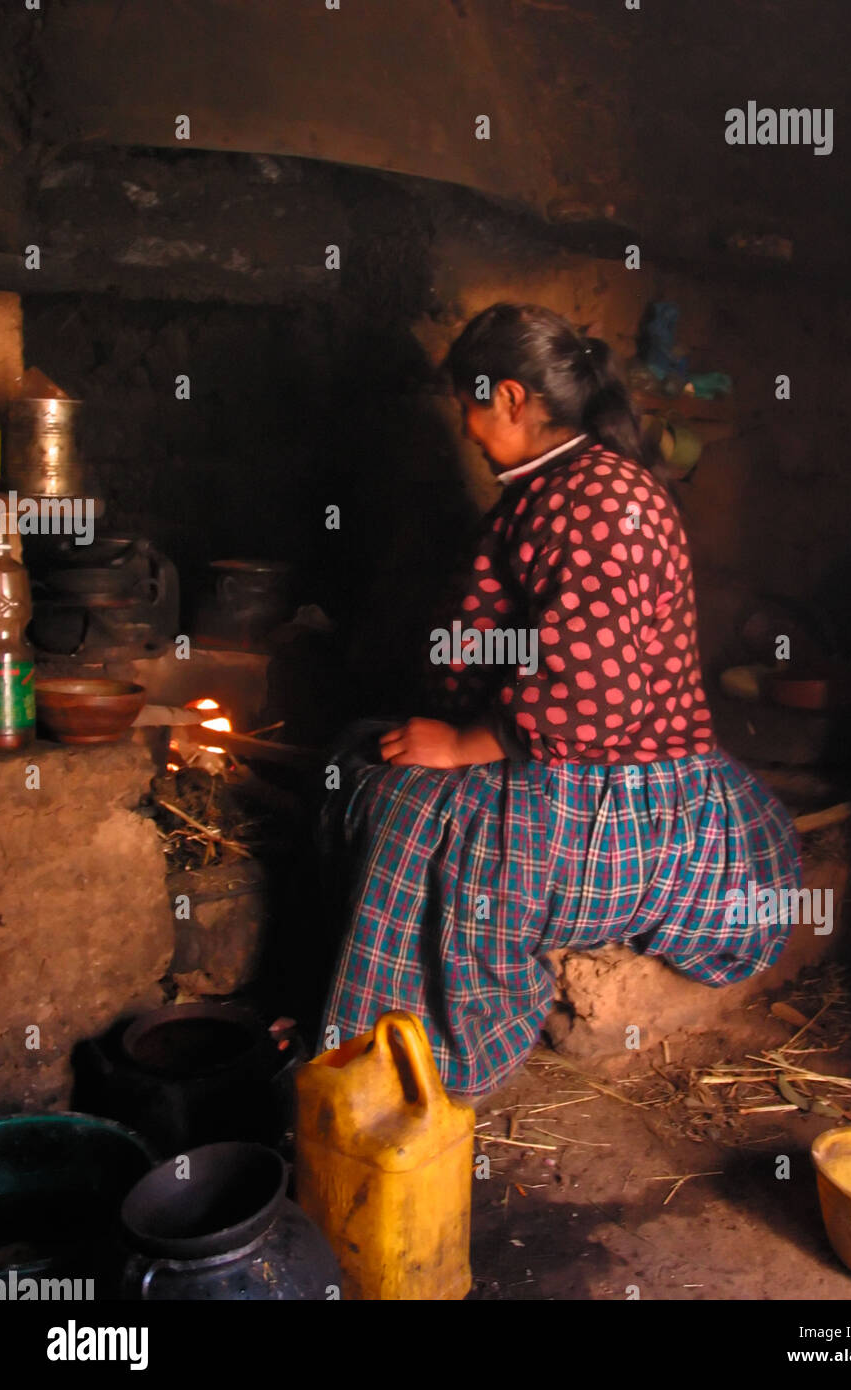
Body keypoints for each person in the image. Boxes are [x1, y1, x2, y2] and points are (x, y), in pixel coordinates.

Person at [319, 303, 800, 1095]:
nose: (467, 432)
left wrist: (460, 744)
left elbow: (592, 695)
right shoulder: (564, 485)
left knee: (409, 812)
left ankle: (405, 1080)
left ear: (509, 397)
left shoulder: (598, 501)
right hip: (585, 774)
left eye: (468, 409)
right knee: (367, 755)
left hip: (611, 804)